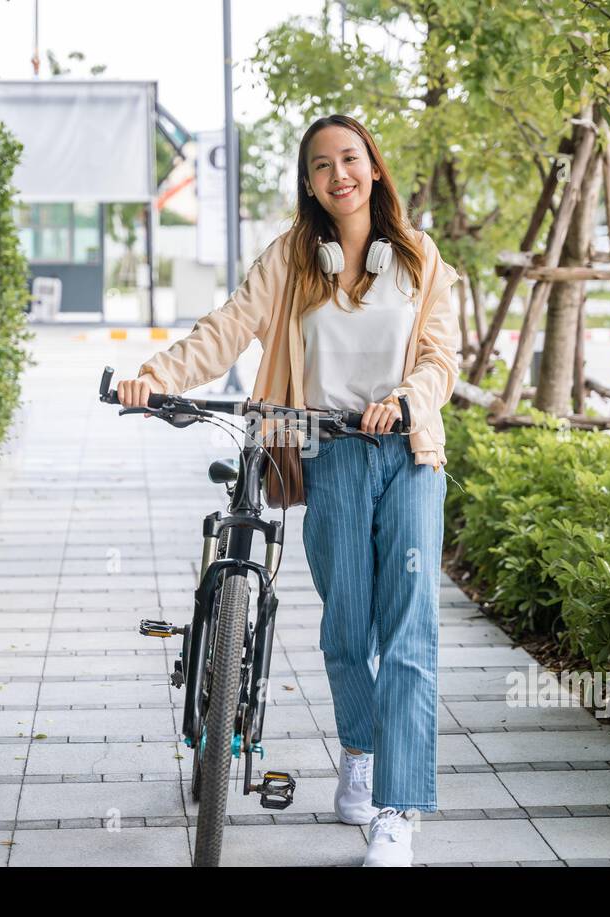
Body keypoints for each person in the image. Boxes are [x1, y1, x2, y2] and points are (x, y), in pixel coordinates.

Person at [116, 114, 460, 866]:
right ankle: (361, 754)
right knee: (346, 629)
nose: (337, 173)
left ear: (373, 166)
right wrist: (155, 379)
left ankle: (397, 811)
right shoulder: (293, 259)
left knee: (411, 631)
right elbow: (228, 327)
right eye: (320, 165)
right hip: (329, 456)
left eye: (350, 158)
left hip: (407, 453)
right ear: (309, 183)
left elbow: (441, 358)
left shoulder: (418, 258)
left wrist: (405, 399)